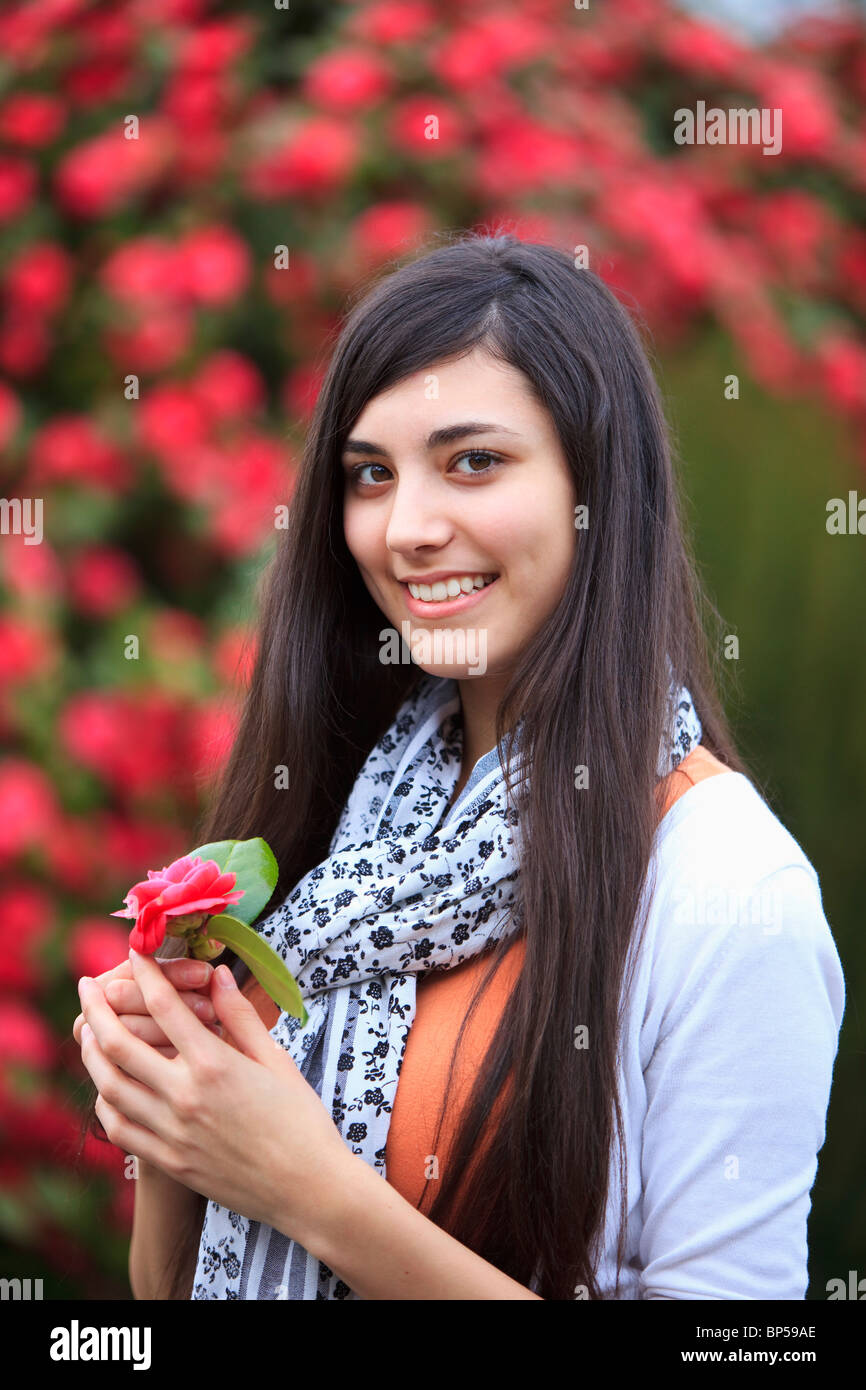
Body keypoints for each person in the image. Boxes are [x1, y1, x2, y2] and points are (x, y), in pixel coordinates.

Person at [74, 232, 845, 1300]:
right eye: (369, 475)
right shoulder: (347, 821)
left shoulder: (723, 886)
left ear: (597, 484)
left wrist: (310, 1189)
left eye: (473, 461)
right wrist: (173, 1114)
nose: (407, 528)